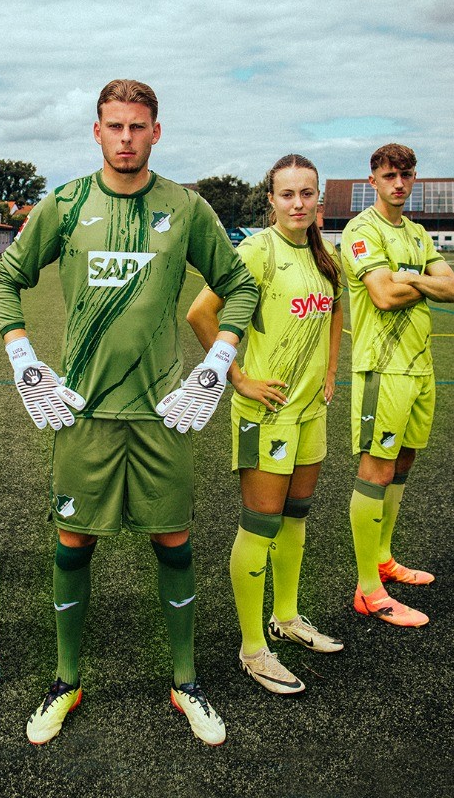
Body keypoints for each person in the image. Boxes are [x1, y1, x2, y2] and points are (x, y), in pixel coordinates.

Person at [0, 78, 258, 746]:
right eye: (115, 126)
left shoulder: (186, 207)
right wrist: (22, 356)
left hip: (164, 412)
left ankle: (186, 681)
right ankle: (65, 680)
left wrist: (215, 365)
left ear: (156, 132)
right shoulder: (65, 203)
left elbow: (240, 285)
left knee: (175, 542)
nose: (127, 138)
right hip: (82, 412)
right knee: (73, 543)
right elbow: (5, 277)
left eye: (138, 126)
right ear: (97, 131)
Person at [187, 154, 344, 696]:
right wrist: (238, 378)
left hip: (310, 411)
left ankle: (287, 617)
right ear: (271, 200)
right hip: (267, 412)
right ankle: (253, 648)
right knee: (260, 525)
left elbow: (335, 310)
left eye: (307, 193)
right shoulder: (256, 251)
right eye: (287, 194)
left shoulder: (326, 255)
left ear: (318, 198)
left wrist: (329, 369)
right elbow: (200, 313)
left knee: (296, 518)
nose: (298, 203)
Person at [341, 143, 454, 626]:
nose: (398, 183)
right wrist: (420, 281)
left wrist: (405, 276)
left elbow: (453, 288)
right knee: (376, 470)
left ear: (414, 178)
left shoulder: (416, 233)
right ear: (372, 180)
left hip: (419, 365)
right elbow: (383, 296)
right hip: (382, 368)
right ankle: (367, 589)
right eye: (389, 176)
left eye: (406, 175)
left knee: (403, 462)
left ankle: (384, 559)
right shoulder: (361, 230)